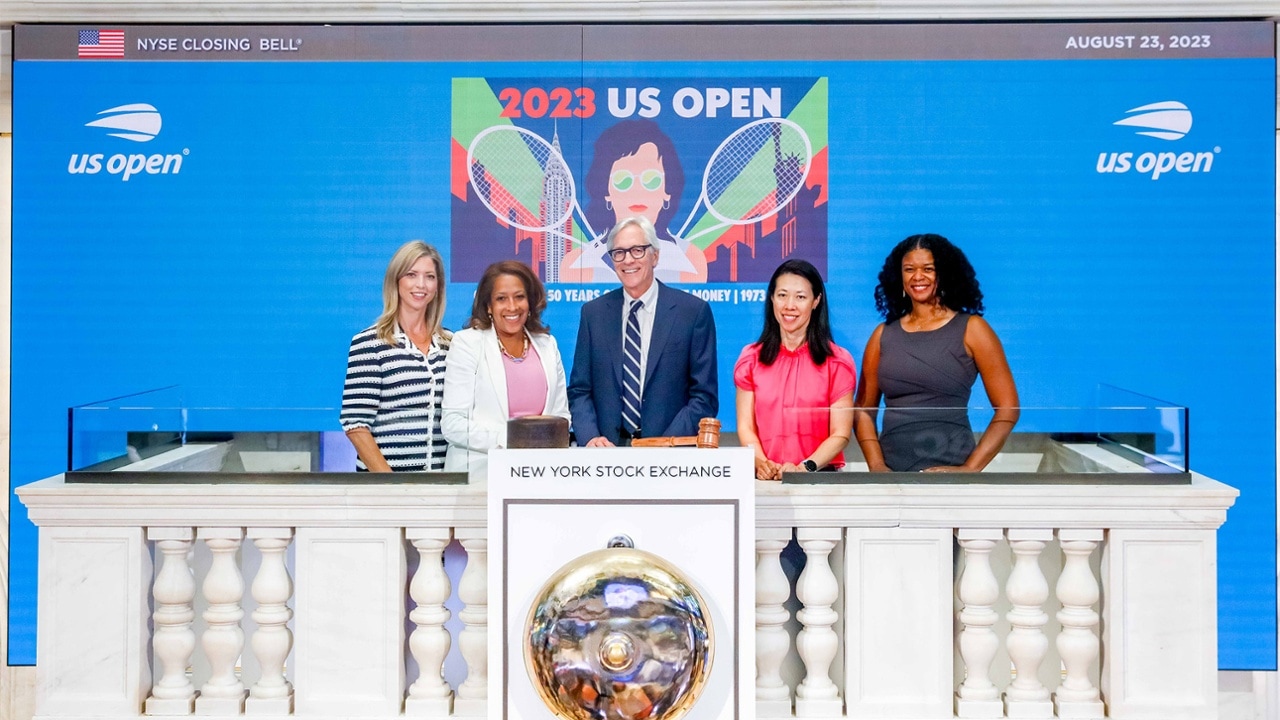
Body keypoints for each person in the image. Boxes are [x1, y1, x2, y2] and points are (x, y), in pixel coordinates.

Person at [854, 233, 1019, 472]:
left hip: (952, 473)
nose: (918, 277)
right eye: (909, 269)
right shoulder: (882, 335)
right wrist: (877, 466)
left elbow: (1008, 408)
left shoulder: (973, 329)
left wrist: (969, 470)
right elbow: (863, 411)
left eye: (928, 269)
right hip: (892, 477)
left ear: (944, 273)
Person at [568, 215, 718, 446]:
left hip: (670, 456)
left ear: (655, 256)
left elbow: (704, 397)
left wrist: (664, 443)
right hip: (606, 455)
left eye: (637, 250)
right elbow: (579, 390)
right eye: (619, 252)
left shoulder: (692, 313)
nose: (628, 260)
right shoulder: (593, 314)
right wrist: (590, 437)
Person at [442, 260, 570, 476]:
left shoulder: (548, 345)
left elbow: (561, 417)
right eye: (501, 299)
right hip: (481, 476)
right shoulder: (467, 343)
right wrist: (516, 440)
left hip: (542, 476)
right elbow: (453, 424)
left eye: (519, 297)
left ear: (530, 301)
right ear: (489, 306)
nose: (512, 307)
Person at [735, 259, 856, 480]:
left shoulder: (837, 361)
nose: (789, 305)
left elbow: (840, 433)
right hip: (764, 479)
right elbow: (745, 427)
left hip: (819, 480)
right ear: (771, 298)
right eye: (782, 295)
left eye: (800, 297)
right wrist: (763, 464)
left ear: (816, 301)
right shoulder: (750, 358)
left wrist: (805, 468)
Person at [340, 241, 451, 472]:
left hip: (443, 486)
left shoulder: (452, 344)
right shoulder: (370, 343)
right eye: (412, 274)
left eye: (430, 276)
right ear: (396, 280)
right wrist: (390, 482)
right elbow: (356, 424)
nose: (421, 284)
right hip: (387, 488)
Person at [561, 119, 708, 283]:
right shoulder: (576, 263)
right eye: (623, 180)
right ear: (606, 191)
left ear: (667, 191)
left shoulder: (690, 259)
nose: (638, 191)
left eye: (651, 180)